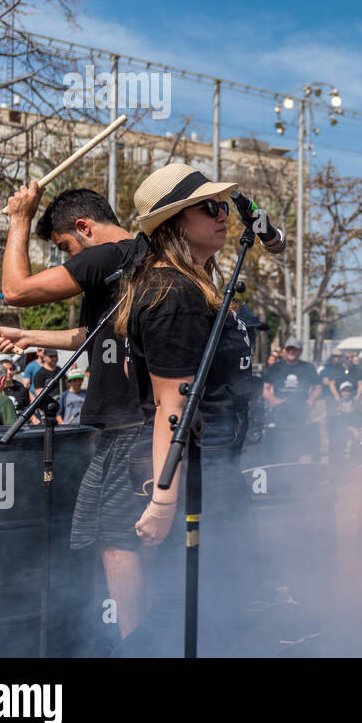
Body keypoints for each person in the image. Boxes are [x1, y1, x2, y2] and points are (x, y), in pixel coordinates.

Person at [0, 183, 151, 643]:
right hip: (132, 423)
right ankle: (141, 637)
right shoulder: (136, 257)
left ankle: (134, 645)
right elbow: (96, 334)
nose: (67, 260)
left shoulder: (108, 253)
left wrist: (19, 219)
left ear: (84, 228)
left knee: (116, 538)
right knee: (119, 534)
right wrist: (30, 338)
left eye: (64, 249)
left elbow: (16, 291)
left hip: (126, 424)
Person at [115, 163, 255, 656]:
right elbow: (170, 410)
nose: (224, 217)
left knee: (211, 606)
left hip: (209, 466)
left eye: (224, 207)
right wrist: (164, 501)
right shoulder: (176, 294)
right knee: (187, 609)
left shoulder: (177, 286)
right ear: (175, 223)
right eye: (210, 208)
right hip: (197, 472)